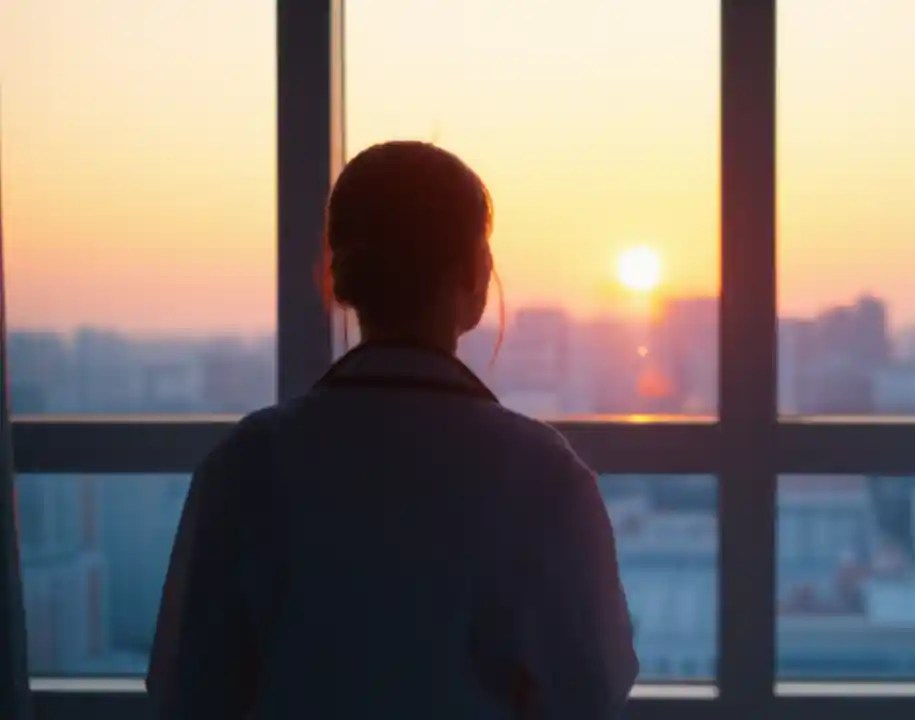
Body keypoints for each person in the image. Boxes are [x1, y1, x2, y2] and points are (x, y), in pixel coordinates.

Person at [147, 141, 638, 719]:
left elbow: (188, 690)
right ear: (476, 275)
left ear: (338, 276)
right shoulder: (543, 477)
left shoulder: (247, 464)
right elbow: (588, 692)